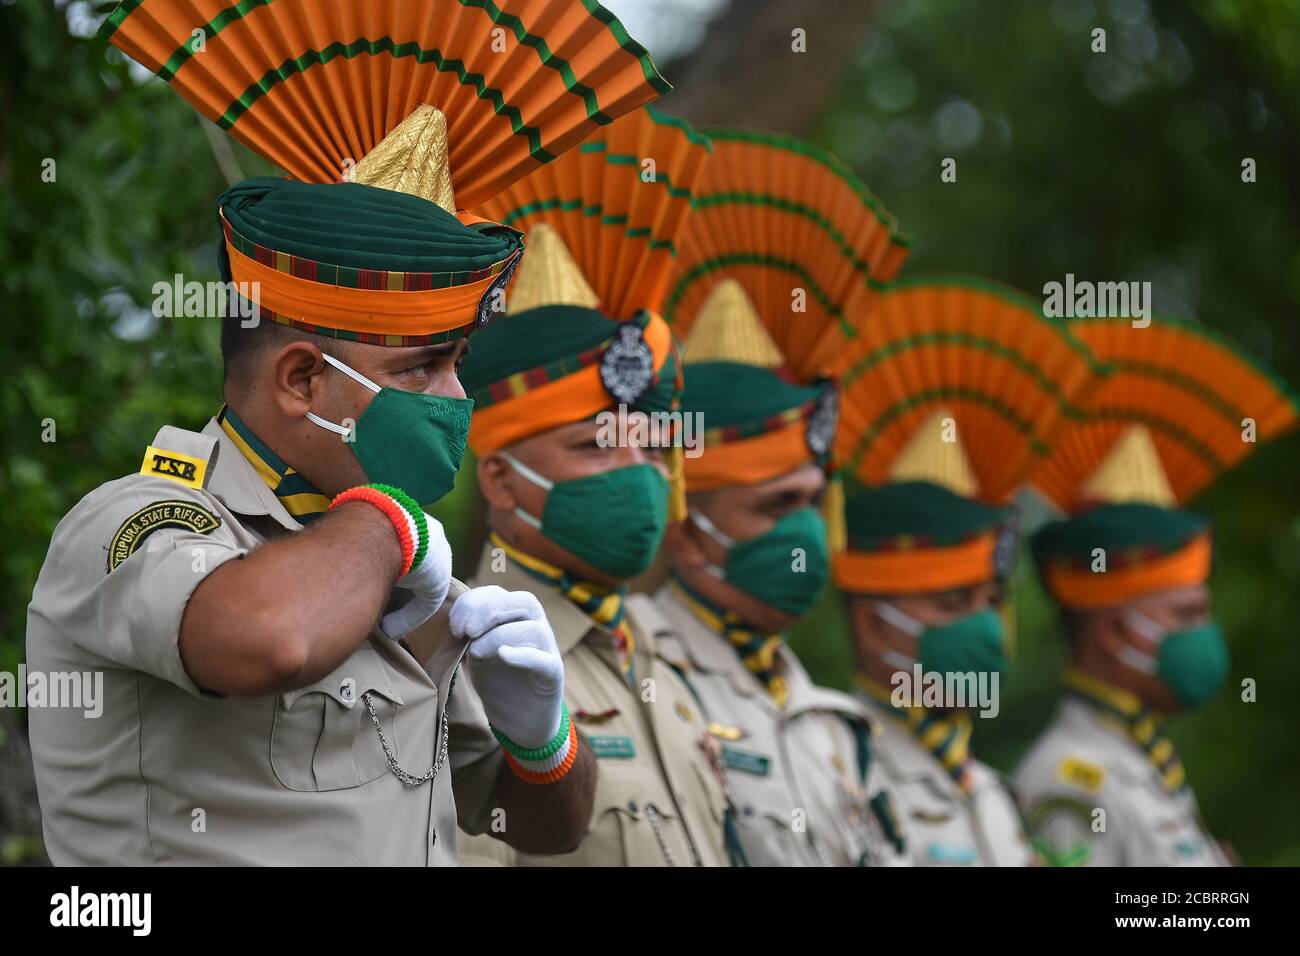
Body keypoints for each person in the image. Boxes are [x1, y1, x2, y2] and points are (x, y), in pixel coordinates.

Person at [25, 0, 669, 865]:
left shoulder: (396, 570)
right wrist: (389, 520)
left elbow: (538, 832)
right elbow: (267, 639)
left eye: (457, 365)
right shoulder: (130, 522)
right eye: (420, 371)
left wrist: (545, 741)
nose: (454, 398)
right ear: (301, 380)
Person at [455, 107, 736, 866]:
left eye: (651, 450)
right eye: (594, 446)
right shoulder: (467, 663)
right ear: (503, 483)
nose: (638, 476)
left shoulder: (676, 659)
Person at [650, 129, 912, 866]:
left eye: (809, 501)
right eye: (773, 507)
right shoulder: (622, 674)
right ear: (690, 531)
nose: (803, 530)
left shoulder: (835, 728)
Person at [828, 277, 1101, 866]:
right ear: (876, 625)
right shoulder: (835, 772)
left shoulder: (995, 794)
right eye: (954, 604)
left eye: (992, 600)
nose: (986, 627)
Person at [1017, 316, 1299, 866]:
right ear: (1116, 630)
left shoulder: (1141, 760)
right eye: (1187, 613)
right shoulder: (1069, 779)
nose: (1204, 634)